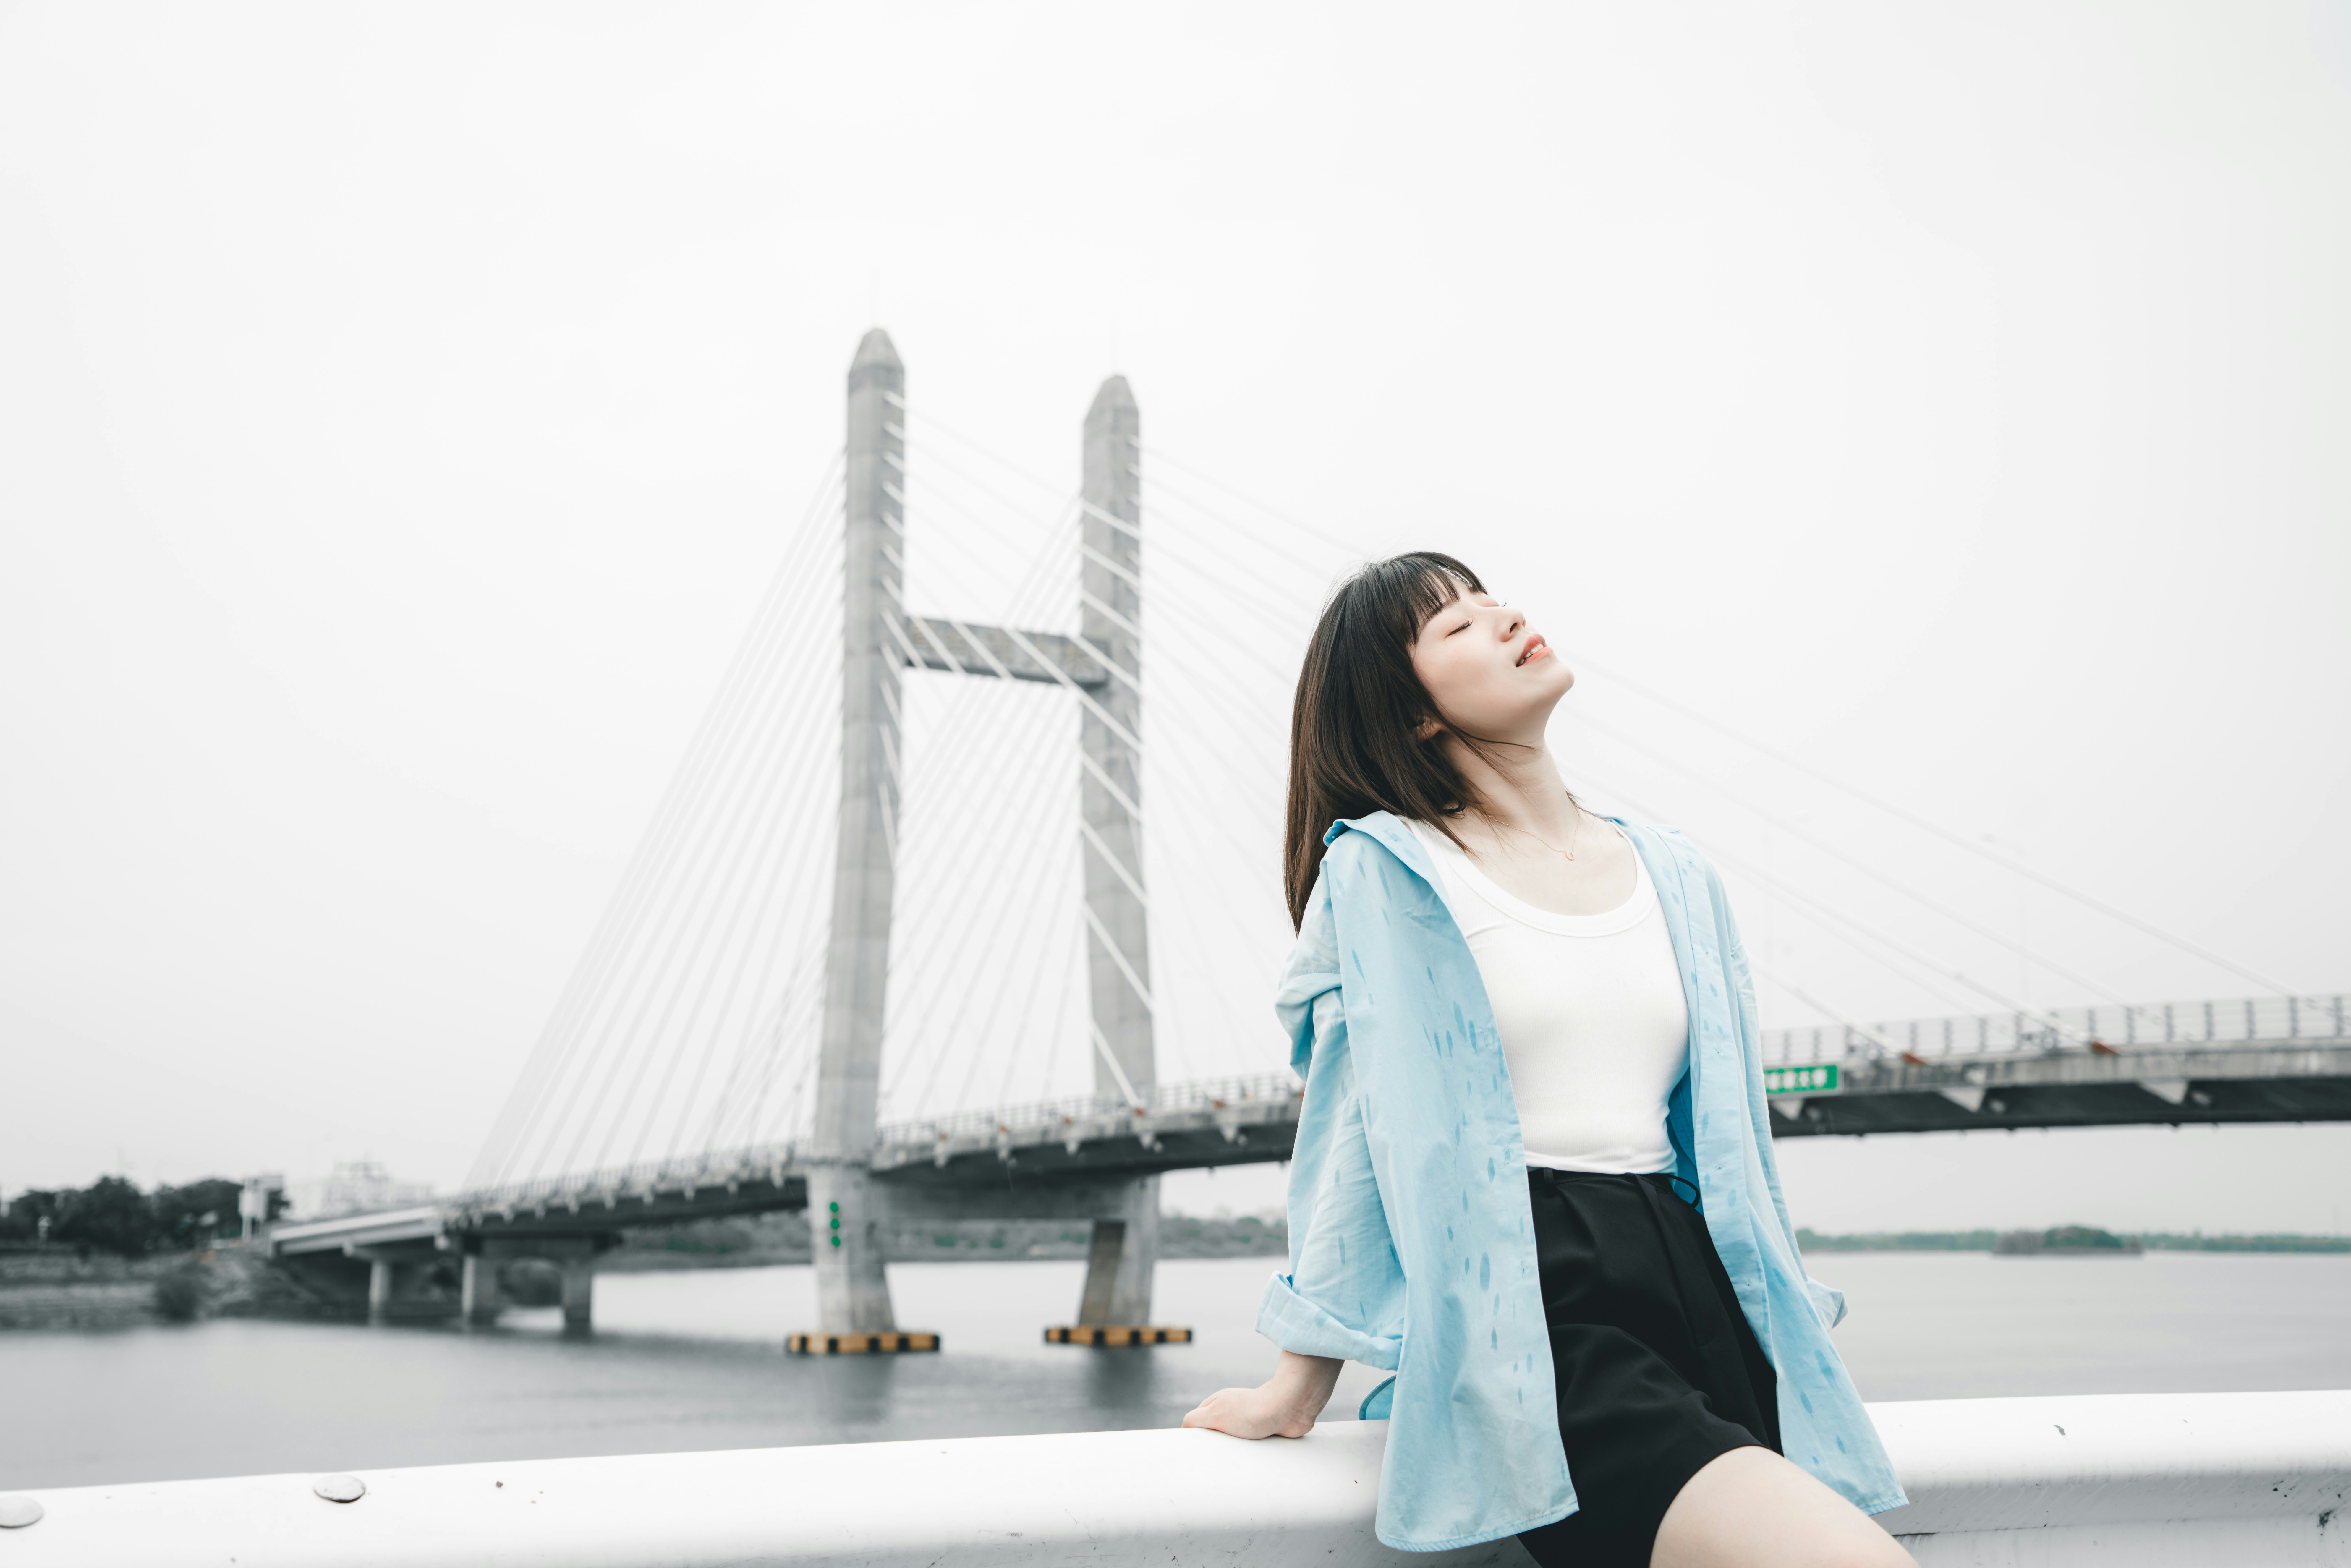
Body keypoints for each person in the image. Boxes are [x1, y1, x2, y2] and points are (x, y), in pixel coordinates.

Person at [1181, 553, 1914, 1568]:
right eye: (1455, 625)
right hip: (1540, 1310)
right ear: (1413, 714)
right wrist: (1299, 1383)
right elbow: (1357, 1137)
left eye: (1492, 598)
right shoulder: (1390, 871)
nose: (1503, 614)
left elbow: (1734, 1141)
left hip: (1702, 1290)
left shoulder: (1676, 872)